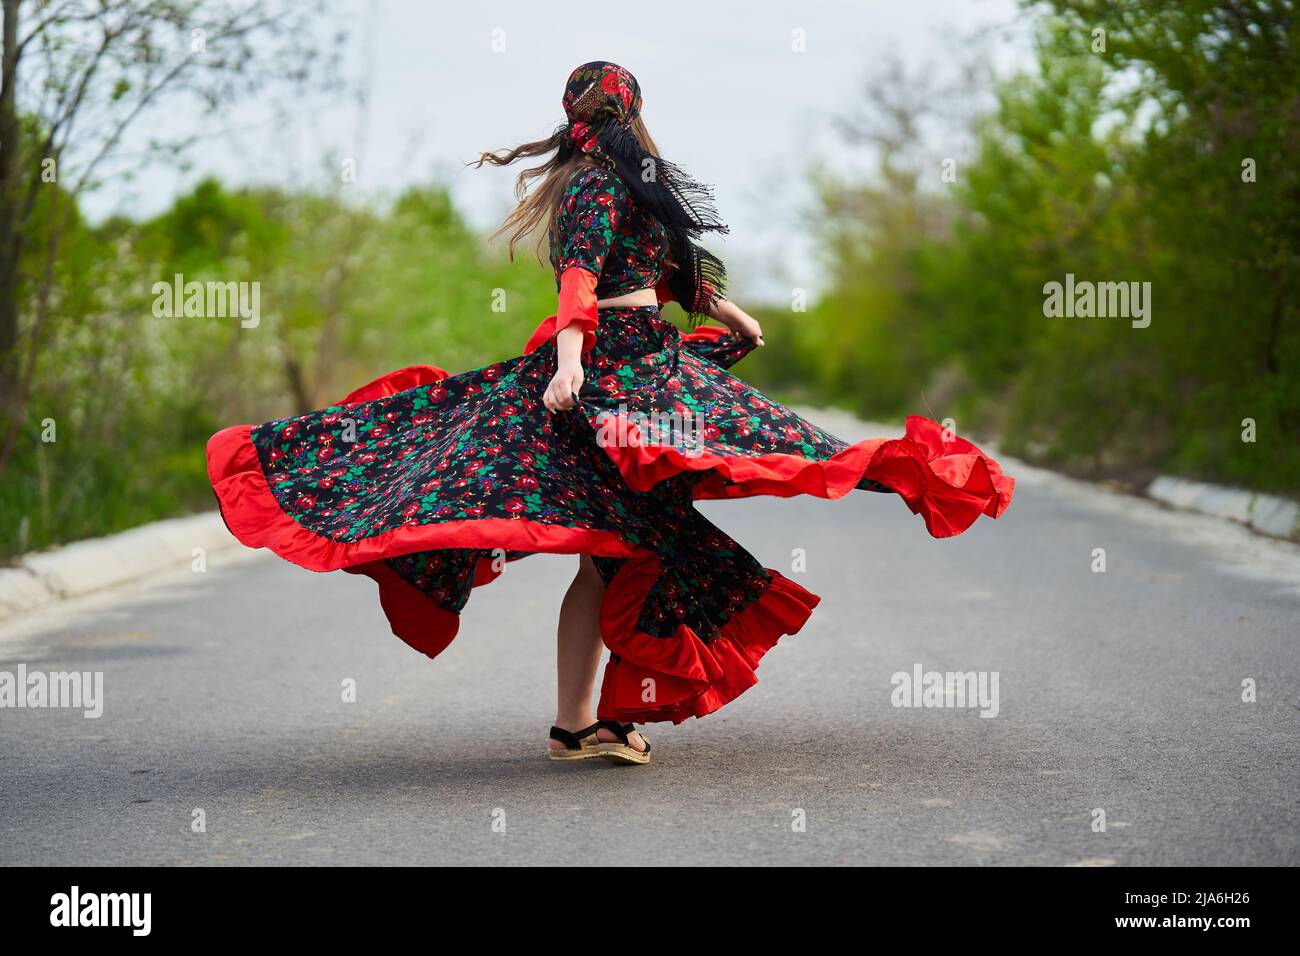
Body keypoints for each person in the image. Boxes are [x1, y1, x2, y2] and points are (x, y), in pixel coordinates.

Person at [206, 61, 1014, 767]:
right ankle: (596, 718)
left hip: (647, 366)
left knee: (629, 542)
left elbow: (669, 274)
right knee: (625, 542)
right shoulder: (594, 185)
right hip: (607, 377)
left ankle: (579, 724)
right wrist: (567, 367)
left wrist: (734, 319)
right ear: (620, 114)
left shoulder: (635, 186)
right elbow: (579, 283)